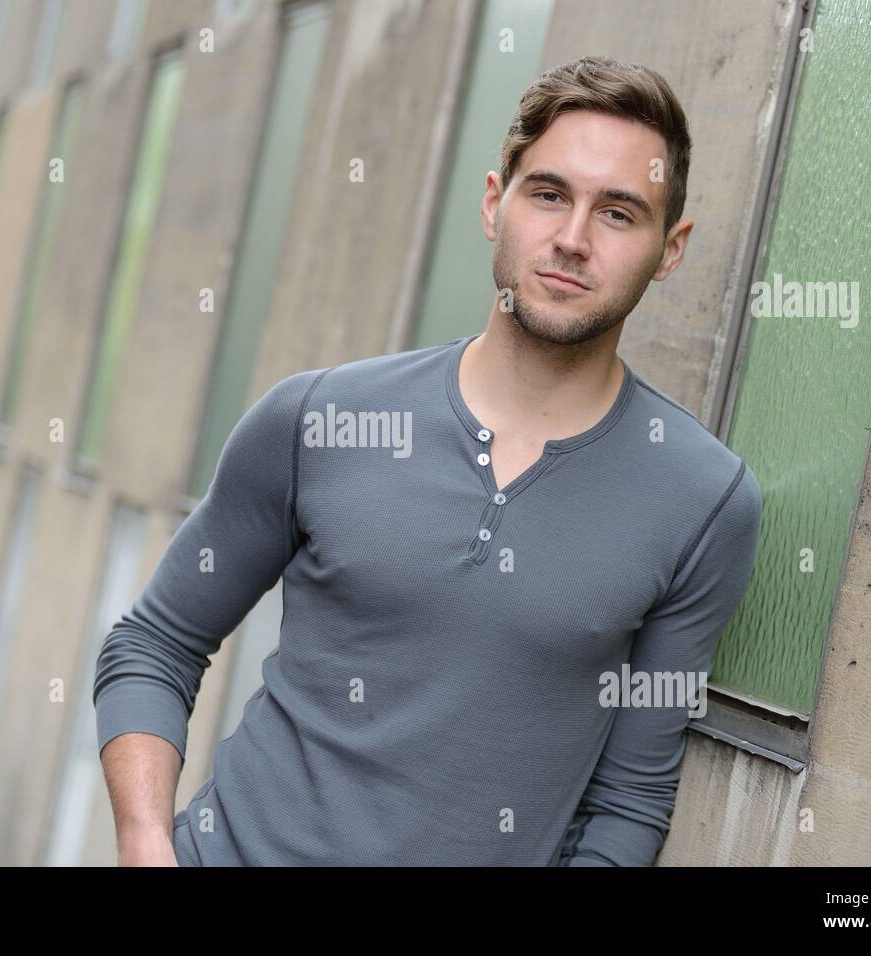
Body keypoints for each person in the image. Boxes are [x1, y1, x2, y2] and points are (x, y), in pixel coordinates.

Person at [94, 55, 761, 866]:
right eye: (548, 194)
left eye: (619, 213)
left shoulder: (702, 498)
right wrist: (144, 842)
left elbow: (629, 802)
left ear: (671, 249)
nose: (572, 239)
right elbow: (156, 642)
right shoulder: (320, 418)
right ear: (494, 204)